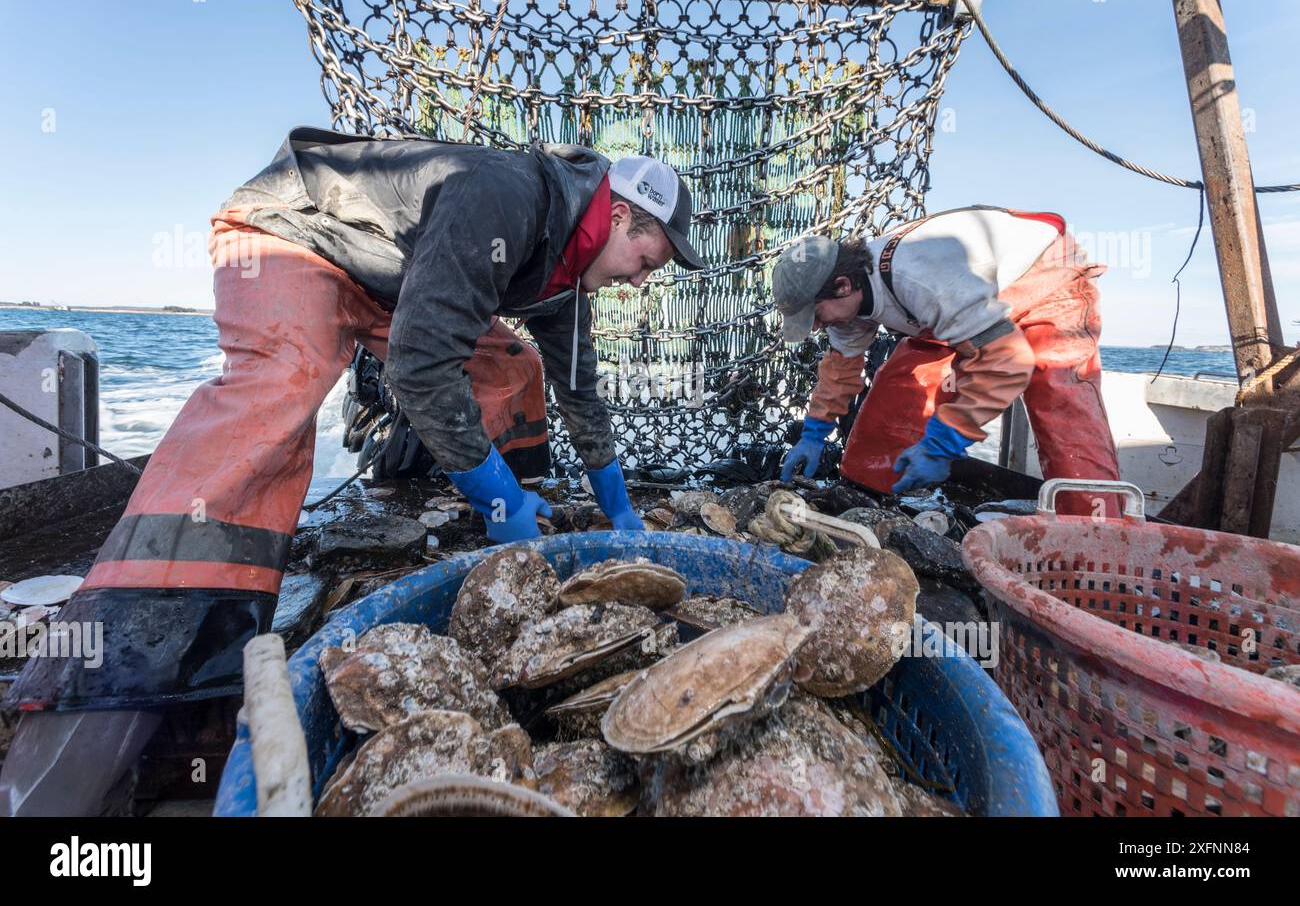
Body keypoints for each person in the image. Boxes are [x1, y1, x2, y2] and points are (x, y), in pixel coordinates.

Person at [0, 128, 705, 814]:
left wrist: (619, 508)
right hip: (290, 235)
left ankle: (501, 544)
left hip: (386, 281)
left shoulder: (565, 274)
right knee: (280, 396)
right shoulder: (508, 195)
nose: (645, 280)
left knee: (511, 369)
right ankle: (104, 698)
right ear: (618, 216)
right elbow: (422, 362)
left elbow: (577, 390)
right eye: (650, 259)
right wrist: (496, 493)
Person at [774, 206, 1120, 514]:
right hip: (958, 308)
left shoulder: (922, 278)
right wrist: (815, 434)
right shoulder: (849, 308)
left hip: (1041, 273)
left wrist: (943, 443)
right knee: (896, 394)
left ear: (843, 286)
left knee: (1058, 395)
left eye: (816, 315)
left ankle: (1097, 535)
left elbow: (1008, 365)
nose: (816, 326)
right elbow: (840, 370)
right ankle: (867, 503)